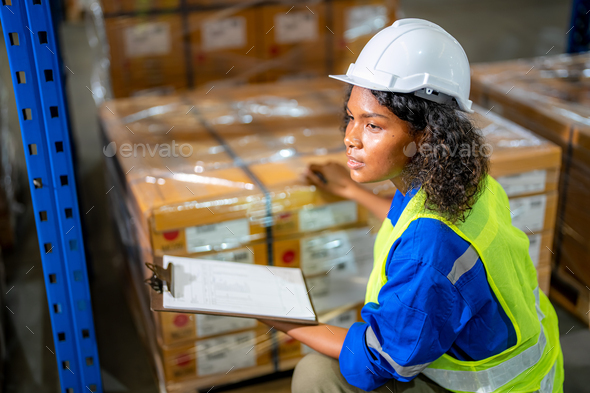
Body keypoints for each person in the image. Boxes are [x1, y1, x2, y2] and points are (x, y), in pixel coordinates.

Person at [259, 19, 564, 393]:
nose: (350, 137)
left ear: (426, 135)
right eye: (351, 118)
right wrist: (355, 192)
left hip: (495, 388)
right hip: (530, 361)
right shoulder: (467, 183)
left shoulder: (430, 248)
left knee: (316, 374)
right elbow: (413, 225)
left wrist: (280, 317)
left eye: (372, 126)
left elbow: (380, 359)